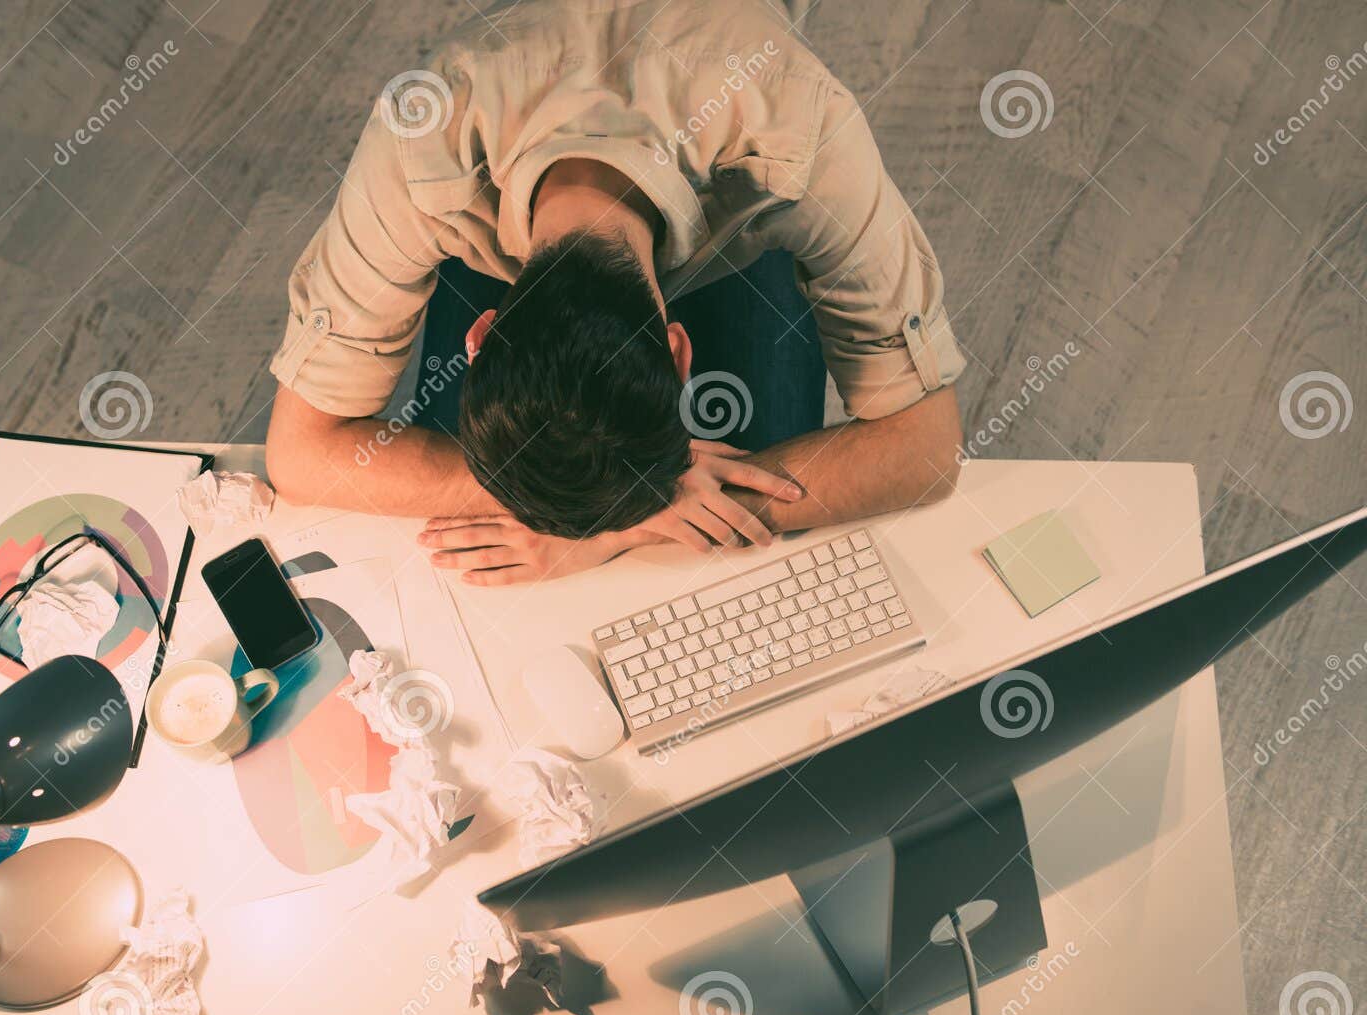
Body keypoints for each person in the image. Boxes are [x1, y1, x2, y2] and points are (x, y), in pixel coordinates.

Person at [264, 0, 966, 586]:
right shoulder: (422, 139)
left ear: (479, 338)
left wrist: (600, 520)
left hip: (731, 181)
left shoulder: (798, 127)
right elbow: (297, 456)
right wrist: (630, 504)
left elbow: (929, 450)